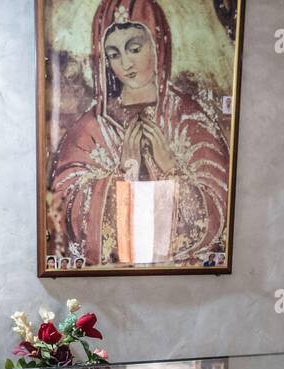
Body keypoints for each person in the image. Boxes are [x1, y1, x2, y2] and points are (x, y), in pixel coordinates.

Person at [47, 0, 231, 266]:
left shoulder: (189, 119)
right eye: (113, 54)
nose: (126, 63)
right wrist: (122, 176)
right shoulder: (90, 128)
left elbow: (218, 204)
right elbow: (65, 208)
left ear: (158, 44)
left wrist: (171, 170)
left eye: (135, 48)